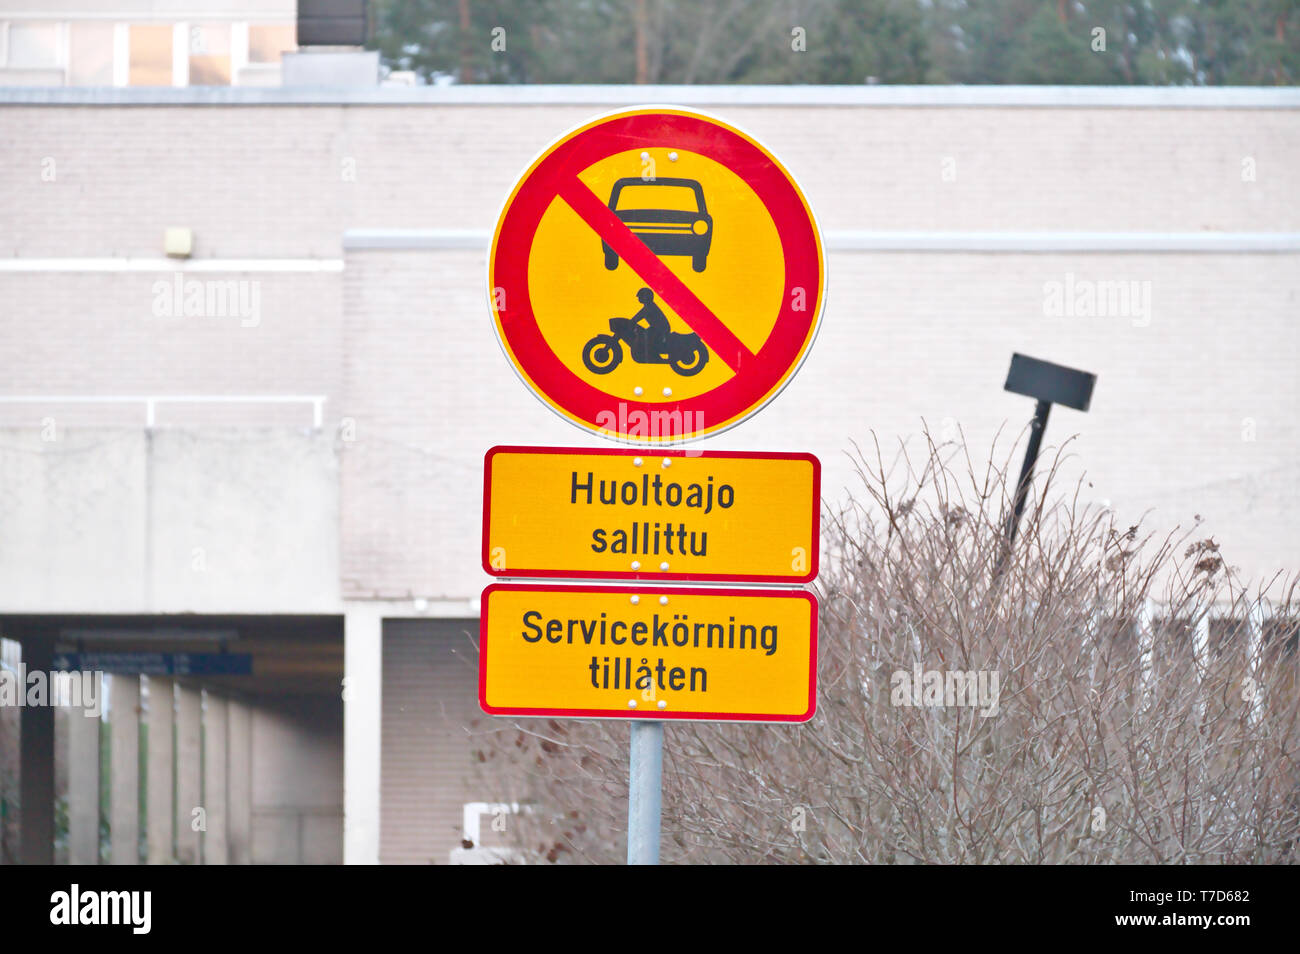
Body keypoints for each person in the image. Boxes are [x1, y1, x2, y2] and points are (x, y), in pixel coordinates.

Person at [630, 288, 671, 359]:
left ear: (645, 297)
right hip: (657, 328)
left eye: (640, 296)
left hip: (660, 329)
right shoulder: (648, 306)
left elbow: (638, 317)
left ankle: (652, 355)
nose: (639, 298)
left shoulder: (649, 307)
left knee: (646, 336)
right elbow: (638, 316)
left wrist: (630, 322)